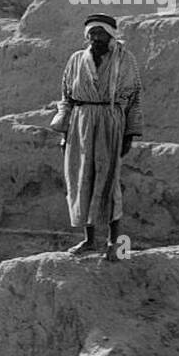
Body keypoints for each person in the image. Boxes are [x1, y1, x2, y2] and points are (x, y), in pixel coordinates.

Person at [49, 13, 143, 259]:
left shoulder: (125, 60)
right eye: (91, 34)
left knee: (109, 181)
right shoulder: (76, 60)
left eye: (100, 33)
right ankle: (89, 241)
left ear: (111, 35)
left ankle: (114, 243)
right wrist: (64, 133)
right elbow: (66, 97)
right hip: (80, 125)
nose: (95, 38)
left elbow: (134, 99)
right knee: (82, 180)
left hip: (111, 122)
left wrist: (129, 135)